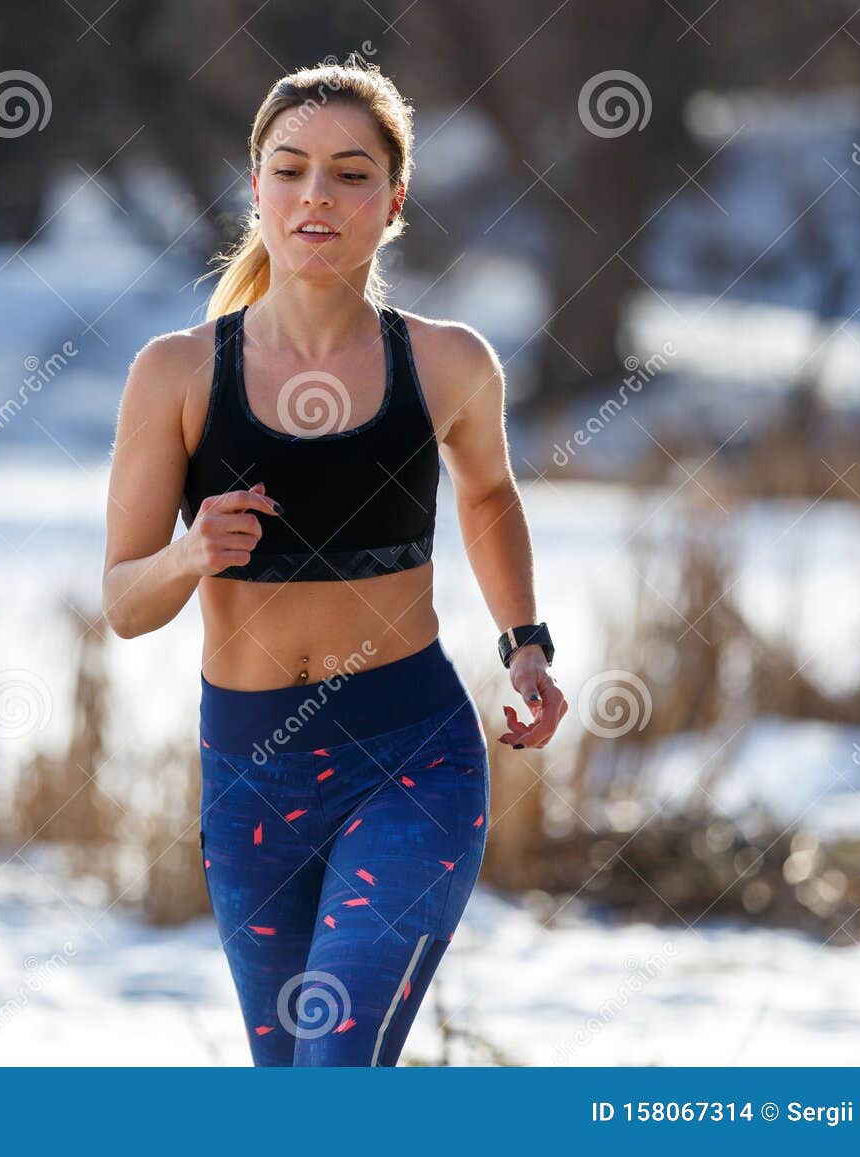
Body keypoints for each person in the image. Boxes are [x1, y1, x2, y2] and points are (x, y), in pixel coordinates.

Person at [101, 56, 567, 1066]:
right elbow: (124, 603)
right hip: (252, 775)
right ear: (256, 188)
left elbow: (489, 495)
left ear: (392, 203)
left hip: (413, 760)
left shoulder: (446, 361)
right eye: (291, 169)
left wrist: (525, 643)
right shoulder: (177, 373)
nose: (317, 194)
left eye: (351, 174)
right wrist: (189, 554)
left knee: (338, 1065)